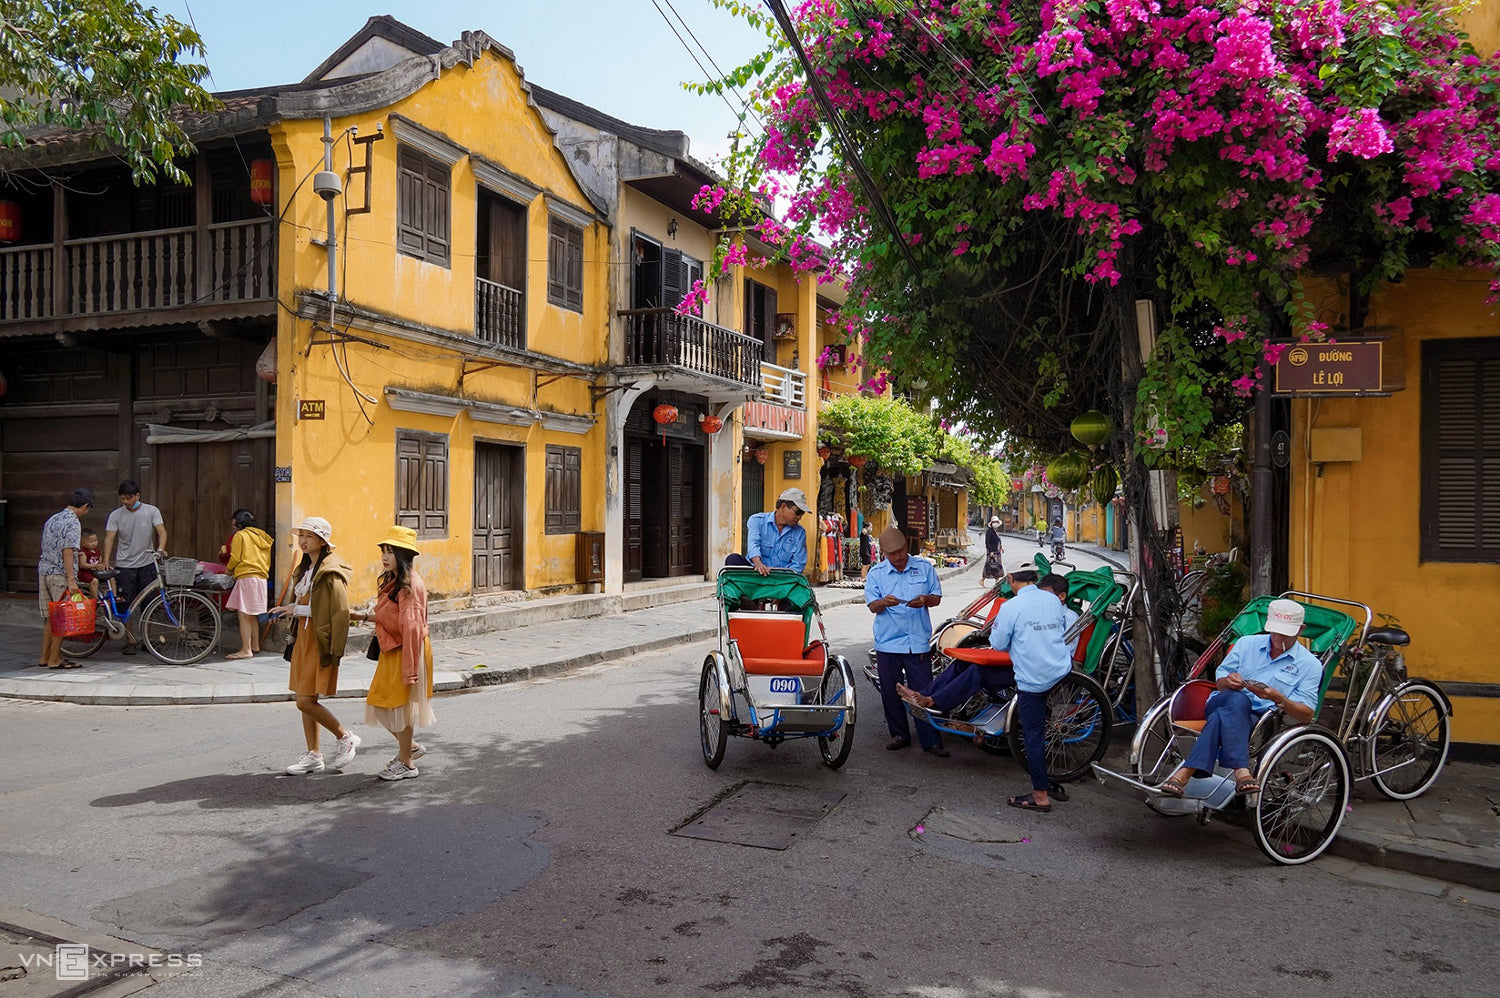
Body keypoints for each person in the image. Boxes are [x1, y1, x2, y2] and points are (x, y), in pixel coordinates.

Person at [1158, 598, 1322, 799]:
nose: (1278, 638)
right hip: (1223, 700)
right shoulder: (1246, 644)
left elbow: (1306, 714)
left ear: (1301, 630)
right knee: (1237, 700)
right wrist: (1229, 681)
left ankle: (1184, 774)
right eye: (1275, 631)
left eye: (1285, 634)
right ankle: (1241, 771)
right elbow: (1220, 682)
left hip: (1259, 719)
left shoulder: (1309, 665)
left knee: (1220, 719)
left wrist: (1280, 699)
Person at [270, 517, 359, 775]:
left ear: (322, 541)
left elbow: (337, 611)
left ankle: (345, 737)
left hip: (319, 640)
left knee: (304, 701)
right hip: (302, 639)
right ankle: (314, 754)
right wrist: (290, 610)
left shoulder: (330, 572)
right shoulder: (305, 568)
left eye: (309, 536)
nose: (303, 540)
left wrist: (294, 609)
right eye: (302, 535)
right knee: (305, 696)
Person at [353, 526, 436, 781]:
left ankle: (408, 763)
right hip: (394, 650)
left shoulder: (408, 585)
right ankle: (408, 748)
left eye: (391, 552)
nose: (385, 557)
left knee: (398, 708)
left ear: (403, 555)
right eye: (384, 552)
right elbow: (393, 617)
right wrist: (365, 616)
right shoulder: (395, 581)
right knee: (381, 704)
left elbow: (410, 629)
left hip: (407, 651)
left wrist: (410, 670)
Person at [998, 562, 1074, 811]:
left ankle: (1040, 794)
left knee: (1033, 735)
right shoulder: (1053, 601)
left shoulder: (1011, 606)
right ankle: (1045, 779)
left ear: (1011, 579)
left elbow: (998, 644)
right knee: (1039, 726)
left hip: (1034, 679)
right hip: (1061, 670)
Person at [865, 527, 948, 756]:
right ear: (884, 553)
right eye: (893, 554)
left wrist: (924, 600)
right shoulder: (876, 574)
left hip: (917, 642)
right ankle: (899, 734)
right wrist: (884, 602)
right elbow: (873, 606)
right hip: (888, 643)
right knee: (891, 692)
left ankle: (930, 740)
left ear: (906, 547)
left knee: (922, 691)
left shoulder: (924, 567)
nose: (899, 557)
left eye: (901, 551)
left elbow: (936, 598)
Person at [101, 480, 167, 655]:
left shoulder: (151, 511)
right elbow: (109, 538)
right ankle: (130, 640)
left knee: (149, 603)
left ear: (138, 496)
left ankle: (146, 639)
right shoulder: (116, 515)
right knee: (125, 604)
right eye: (122, 499)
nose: (125, 502)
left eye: (129, 498)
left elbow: (162, 531)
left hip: (147, 563)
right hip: (125, 565)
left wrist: (160, 549)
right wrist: (107, 560)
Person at [37, 489, 95, 670]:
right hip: (59, 575)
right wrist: (71, 580)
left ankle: (44, 657)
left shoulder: (52, 518)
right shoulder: (73, 522)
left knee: (49, 617)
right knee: (61, 617)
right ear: (85, 506)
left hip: (44, 571)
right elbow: (68, 551)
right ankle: (55, 658)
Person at [223, 509, 274, 660]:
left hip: (247, 576)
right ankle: (255, 645)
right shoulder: (263, 537)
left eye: (234, 524)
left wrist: (229, 569)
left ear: (239, 523)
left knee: (243, 615)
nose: (233, 527)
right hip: (261, 577)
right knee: (251, 615)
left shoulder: (240, 536)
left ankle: (246, 650)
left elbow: (236, 557)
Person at [728, 487, 811, 576]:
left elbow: (798, 565)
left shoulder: (800, 533)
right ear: (783, 507)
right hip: (754, 573)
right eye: (798, 512)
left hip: (781, 579)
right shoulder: (757, 521)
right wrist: (758, 564)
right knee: (733, 559)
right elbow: (753, 544)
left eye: (802, 513)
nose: (800, 517)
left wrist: (780, 576)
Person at [78, 529, 103, 601]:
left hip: (94, 572)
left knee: (111, 578)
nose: (94, 543)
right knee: (94, 581)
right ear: (83, 543)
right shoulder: (83, 552)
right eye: (91, 542)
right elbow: (82, 564)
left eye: (95, 541)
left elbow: (100, 561)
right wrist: (94, 566)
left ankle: (113, 596)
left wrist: (102, 565)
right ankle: (95, 599)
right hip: (84, 573)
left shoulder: (97, 551)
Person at [982, 516, 1004, 583]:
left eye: (996, 522)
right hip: (992, 551)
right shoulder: (989, 531)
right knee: (990, 565)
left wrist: (1001, 547)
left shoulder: (995, 531)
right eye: (994, 522)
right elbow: (987, 542)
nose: (995, 523)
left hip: (997, 551)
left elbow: (997, 540)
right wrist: (991, 551)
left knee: (997, 566)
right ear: (991, 523)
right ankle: (982, 580)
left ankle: (997, 580)